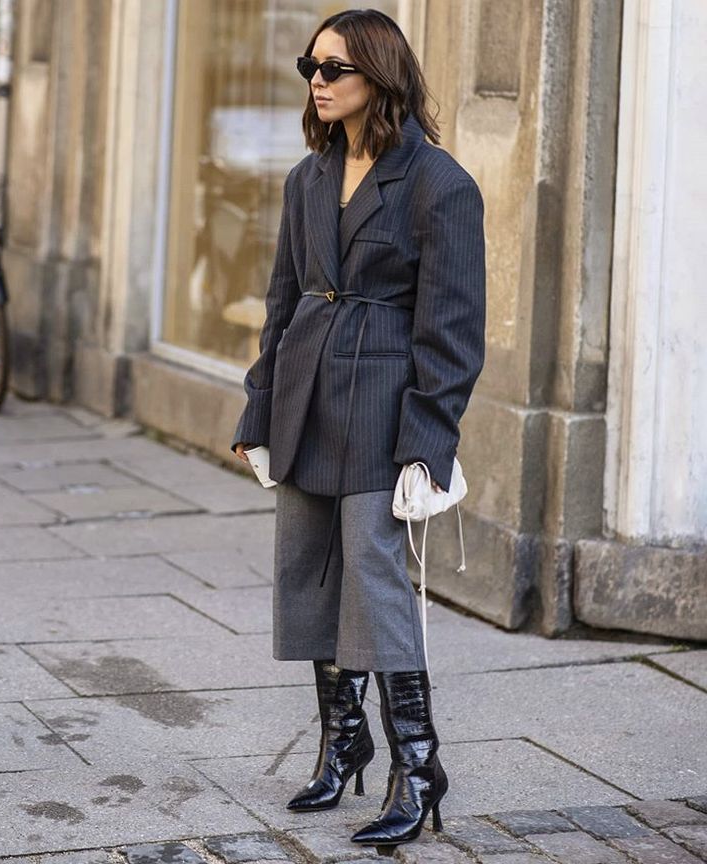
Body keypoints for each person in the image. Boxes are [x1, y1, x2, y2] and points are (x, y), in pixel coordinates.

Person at [232, 8, 485, 847]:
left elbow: (450, 332)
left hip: (382, 409)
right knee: (308, 575)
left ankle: (419, 763)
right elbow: (280, 303)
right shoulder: (308, 178)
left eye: (335, 67)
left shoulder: (438, 184)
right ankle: (345, 740)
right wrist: (259, 411)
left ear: (380, 74)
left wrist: (429, 443)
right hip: (305, 398)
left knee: (375, 584)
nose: (319, 79)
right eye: (312, 64)